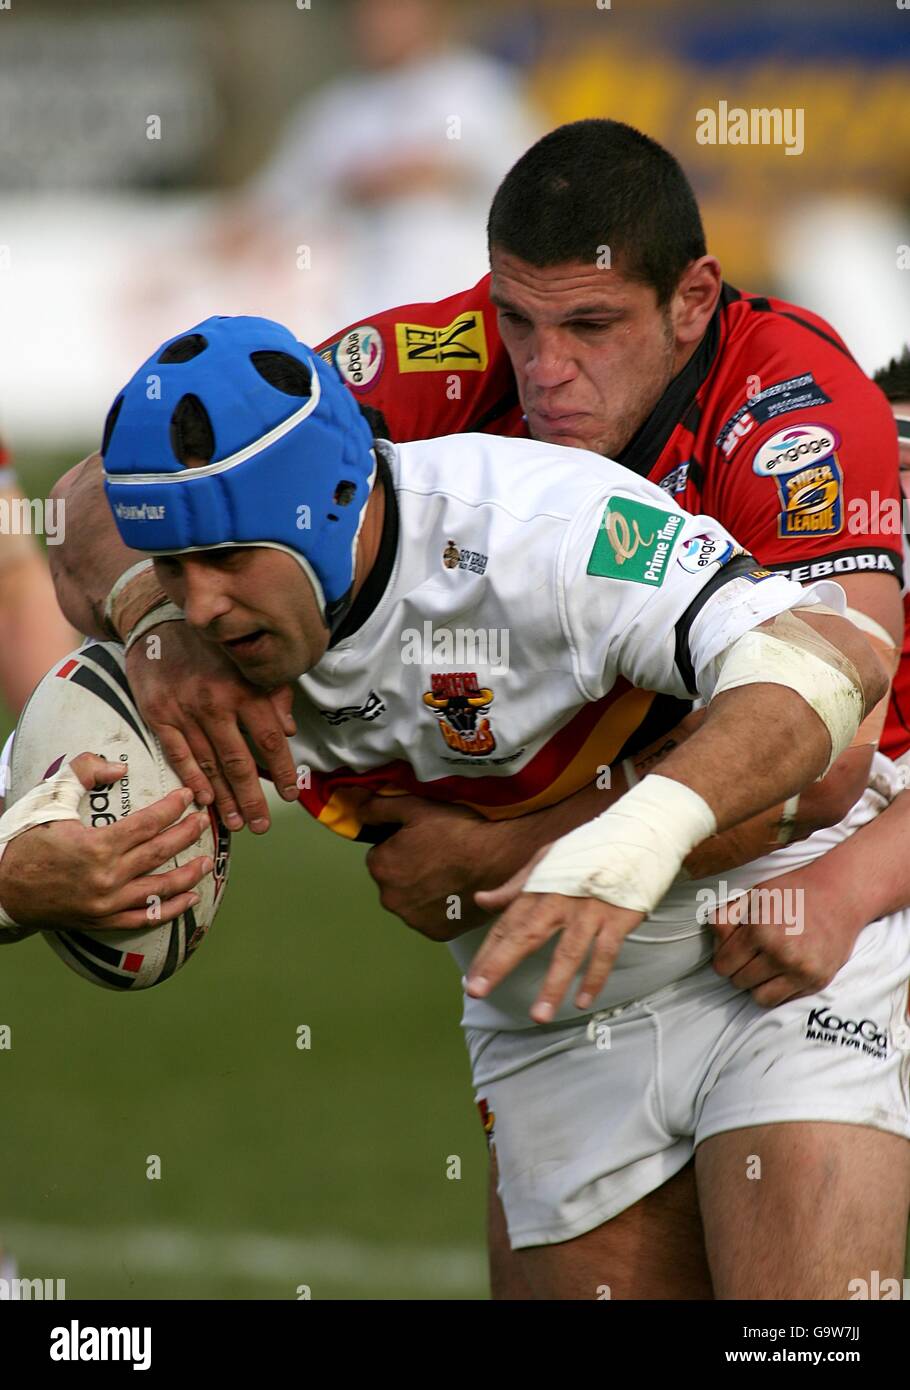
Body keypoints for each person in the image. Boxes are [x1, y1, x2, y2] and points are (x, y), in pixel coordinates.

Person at [5, 315, 909, 1304]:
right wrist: (27, 871)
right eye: (173, 564)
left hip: (769, 950)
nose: (206, 604)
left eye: (227, 557)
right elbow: (79, 501)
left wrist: (636, 830)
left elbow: (833, 663)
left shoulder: (542, 531)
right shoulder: (188, 651)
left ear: (331, 500)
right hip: (549, 1006)